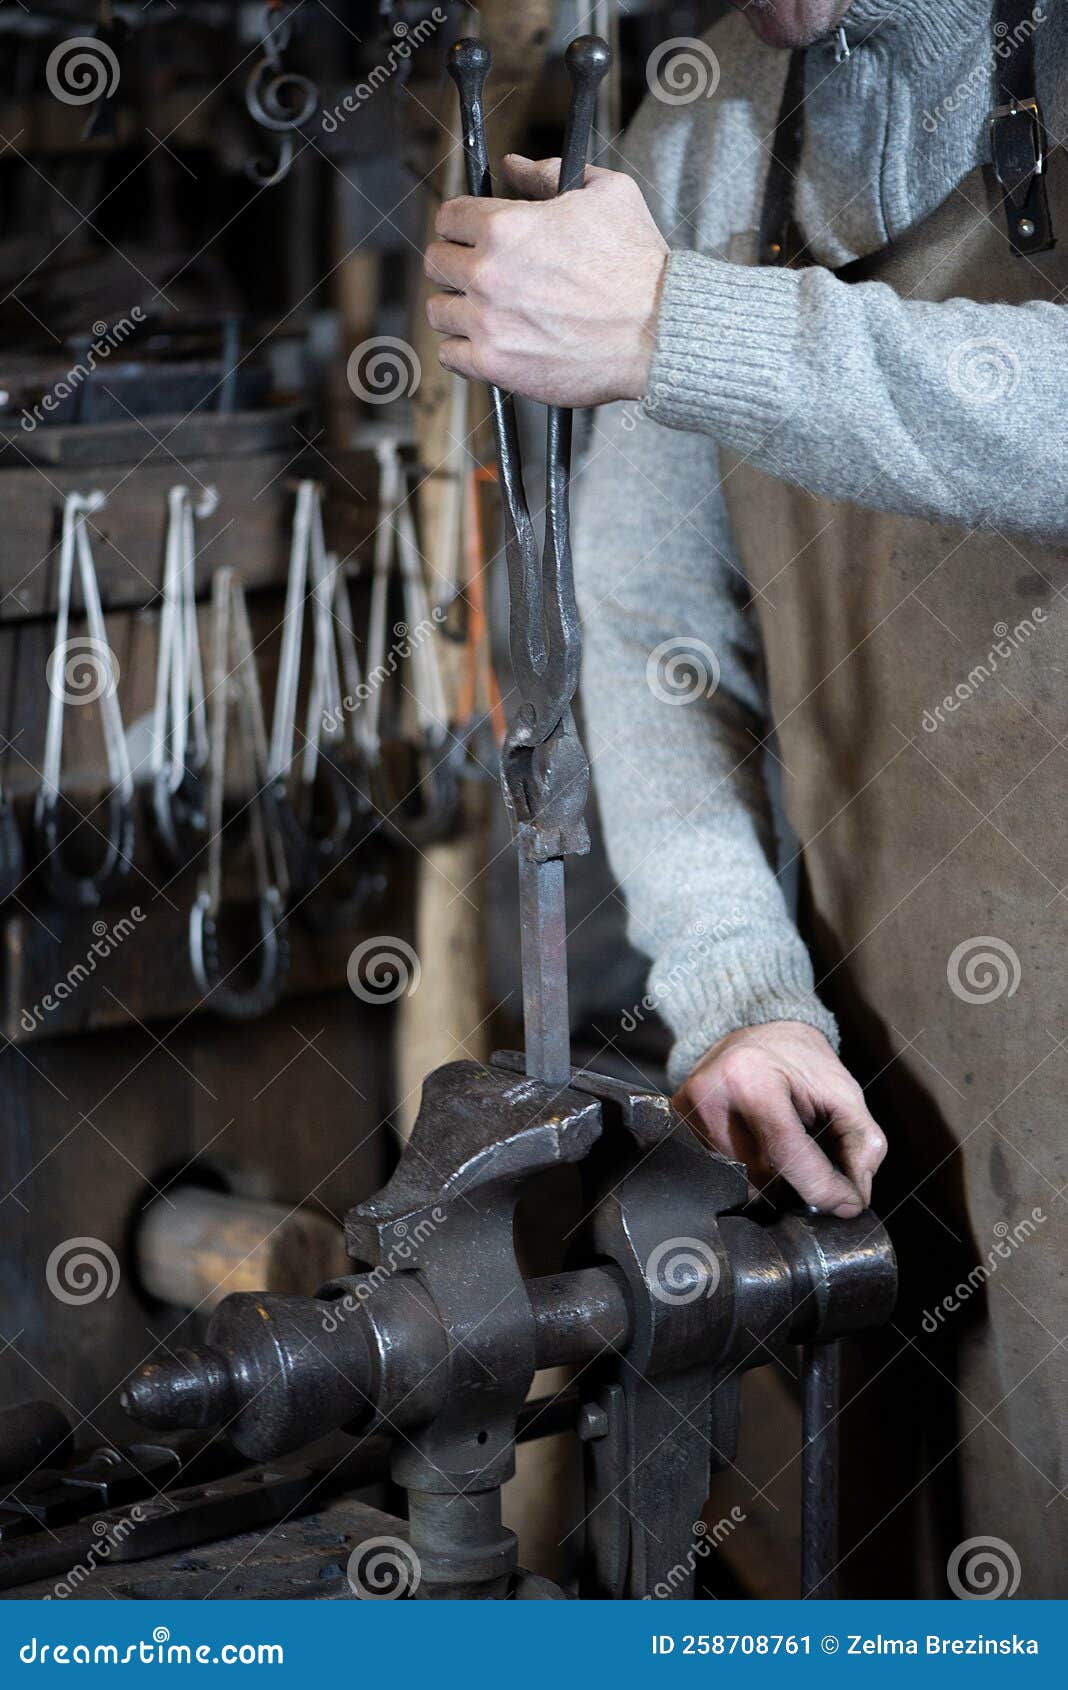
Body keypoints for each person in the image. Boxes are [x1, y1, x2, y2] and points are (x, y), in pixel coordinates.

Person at [425, 0, 1068, 1596]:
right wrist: (734, 980)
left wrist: (679, 324)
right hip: (922, 1084)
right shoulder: (707, 124)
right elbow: (651, 622)